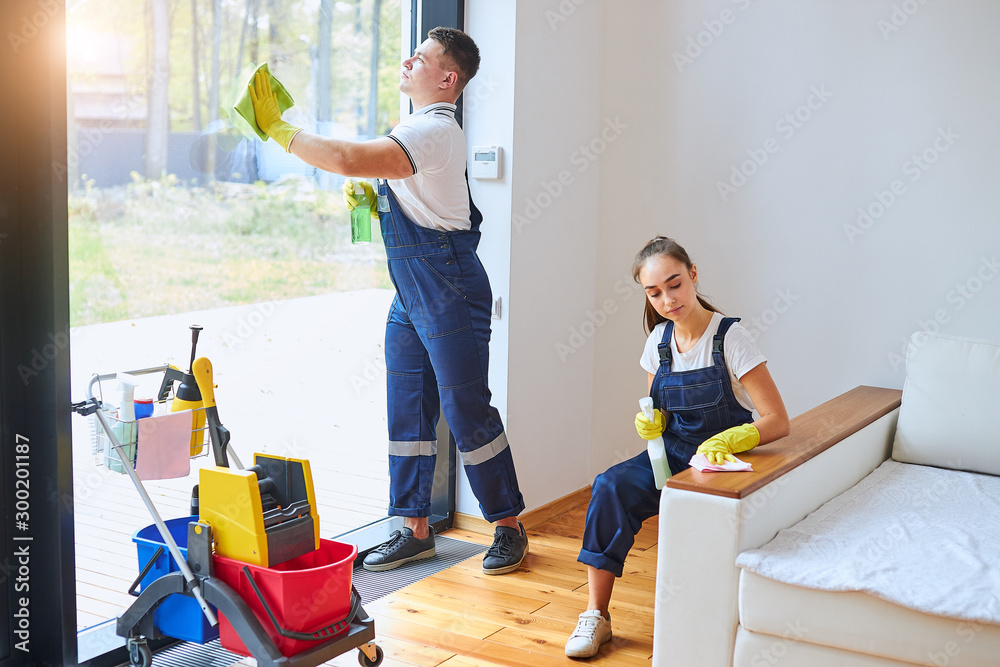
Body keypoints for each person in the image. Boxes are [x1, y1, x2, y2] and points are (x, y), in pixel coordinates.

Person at [248, 27, 528, 574]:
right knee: (407, 407)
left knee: (467, 409)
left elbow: (351, 157)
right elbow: (413, 194)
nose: (407, 61)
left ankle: (508, 527)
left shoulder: (434, 130)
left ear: (448, 78)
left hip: (448, 290)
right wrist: (378, 200)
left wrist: (279, 129)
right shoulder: (415, 129)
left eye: (419, 58)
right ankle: (414, 529)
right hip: (412, 293)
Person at [564, 236, 790, 658]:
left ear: (693, 276)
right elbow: (658, 410)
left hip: (722, 461)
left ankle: (708, 621)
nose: (667, 299)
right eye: (654, 292)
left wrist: (732, 438)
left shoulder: (731, 339)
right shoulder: (659, 343)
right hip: (670, 455)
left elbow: (778, 419)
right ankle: (597, 615)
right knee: (609, 486)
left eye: (675, 284)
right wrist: (652, 423)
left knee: (698, 515)